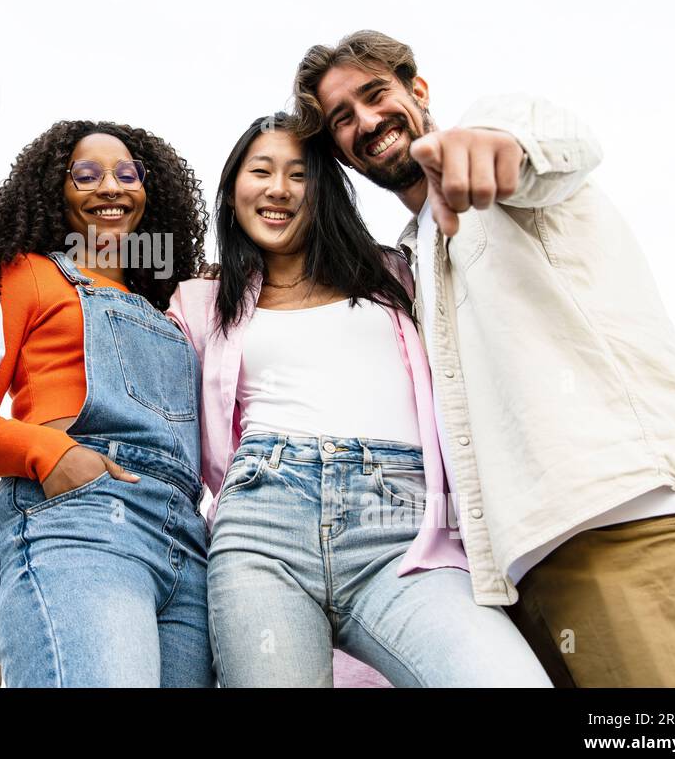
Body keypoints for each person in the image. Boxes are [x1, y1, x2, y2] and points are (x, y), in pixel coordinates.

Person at [293, 29, 675, 686]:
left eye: (376, 95)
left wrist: (495, 148)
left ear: (419, 91)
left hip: (640, 529)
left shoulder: (496, 155)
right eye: (343, 118)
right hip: (528, 585)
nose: (367, 122)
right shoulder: (411, 259)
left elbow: (546, 145)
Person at [165, 113, 549, 687]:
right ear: (233, 190)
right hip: (262, 526)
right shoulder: (202, 301)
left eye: (300, 175)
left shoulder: (395, 274)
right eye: (261, 171)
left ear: (324, 190)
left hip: (403, 526)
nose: (278, 189)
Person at [0, 121, 213, 687]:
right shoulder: (27, 274)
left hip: (189, 544)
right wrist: (51, 456)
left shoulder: (175, 311)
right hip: (82, 524)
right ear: (54, 193)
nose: (110, 187)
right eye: (86, 175)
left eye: (126, 174)